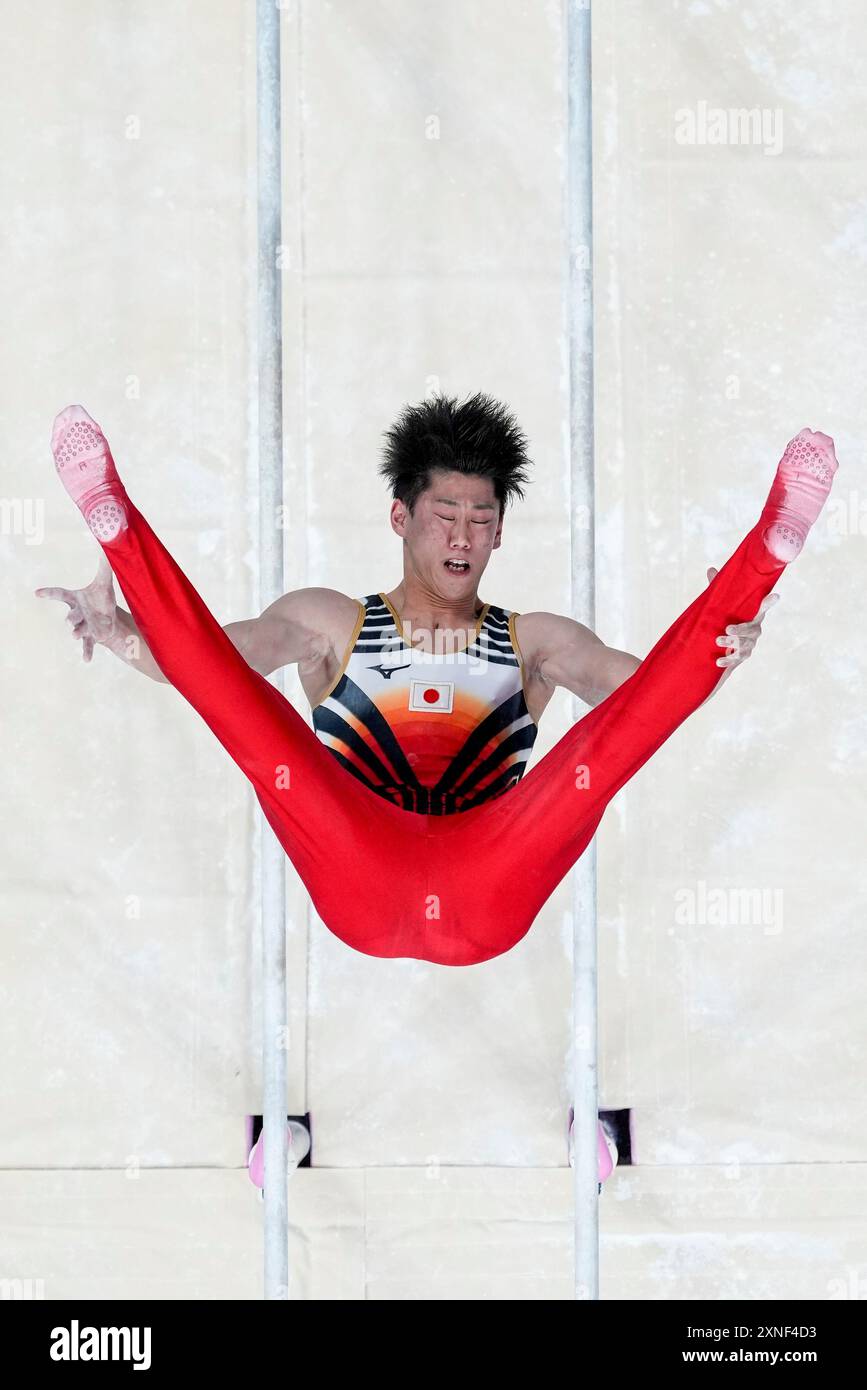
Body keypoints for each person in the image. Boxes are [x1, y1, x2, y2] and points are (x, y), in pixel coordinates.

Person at [37, 392, 838, 1187]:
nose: (462, 536)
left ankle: (761, 559)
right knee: (251, 725)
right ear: (399, 517)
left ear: (499, 530)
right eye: (444, 512)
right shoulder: (329, 621)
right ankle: (118, 525)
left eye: (481, 518)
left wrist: (724, 648)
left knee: (613, 749)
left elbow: (644, 702)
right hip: (364, 868)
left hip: (487, 879)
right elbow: (220, 665)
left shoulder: (536, 640)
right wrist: (119, 633)